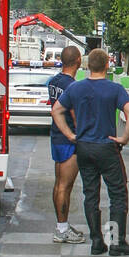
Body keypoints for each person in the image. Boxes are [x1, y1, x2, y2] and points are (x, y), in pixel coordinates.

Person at [51, 48, 129, 255]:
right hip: (107, 147)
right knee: (117, 194)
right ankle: (115, 242)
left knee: (90, 194)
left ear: (87, 65)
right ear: (107, 65)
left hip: (83, 147)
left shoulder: (76, 89)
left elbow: (56, 110)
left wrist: (70, 135)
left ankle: (96, 241)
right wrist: (124, 138)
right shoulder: (115, 89)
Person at [47, 46, 85, 245]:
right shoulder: (73, 86)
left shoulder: (54, 82)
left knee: (58, 183)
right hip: (69, 140)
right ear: (78, 60)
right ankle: (62, 230)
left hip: (56, 136)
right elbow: (73, 113)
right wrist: (79, 134)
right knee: (66, 185)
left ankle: (61, 225)